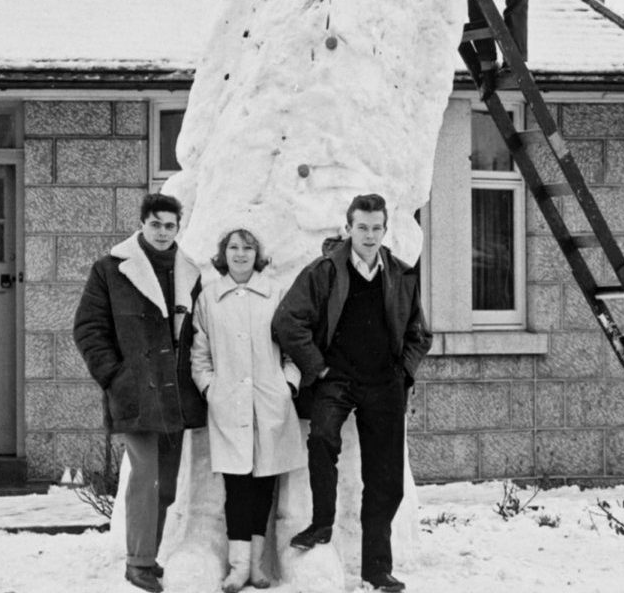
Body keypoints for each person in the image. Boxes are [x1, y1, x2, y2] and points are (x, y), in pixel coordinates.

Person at [272, 194, 432, 593]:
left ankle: (377, 569)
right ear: (349, 228)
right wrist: (318, 367)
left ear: (384, 229)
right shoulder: (325, 271)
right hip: (337, 378)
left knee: (386, 478)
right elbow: (287, 321)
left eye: (377, 227)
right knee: (322, 438)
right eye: (362, 227)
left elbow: (419, 333)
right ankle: (322, 522)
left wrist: (403, 373)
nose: (370, 235)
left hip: (384, 382)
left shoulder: (399, 274)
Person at [74, 193, 207, 593]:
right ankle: (139, 562)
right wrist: (116, 376)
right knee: (145, 478)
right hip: (137, 390)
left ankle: (148, 555)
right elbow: (88, 329)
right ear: (142, 224)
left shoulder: (189, 270)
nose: (163, 232)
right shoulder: (111, 270)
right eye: (156, 224)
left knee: (166, 485)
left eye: (170, 225)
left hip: (177, 393)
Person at [191, 228, 307, 593]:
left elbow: (294, 347)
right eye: (233, 247)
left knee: (263, 487)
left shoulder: (275, 293)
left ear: (257, 254)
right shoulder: (210, 298)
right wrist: (211, 389)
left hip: (269, 405)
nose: (240, 254)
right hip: (228, 405)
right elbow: (200, 353)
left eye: (247, 247)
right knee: (236, 486)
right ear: (223, 254)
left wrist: (287, 385)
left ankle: (256, 566)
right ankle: (237, 567)